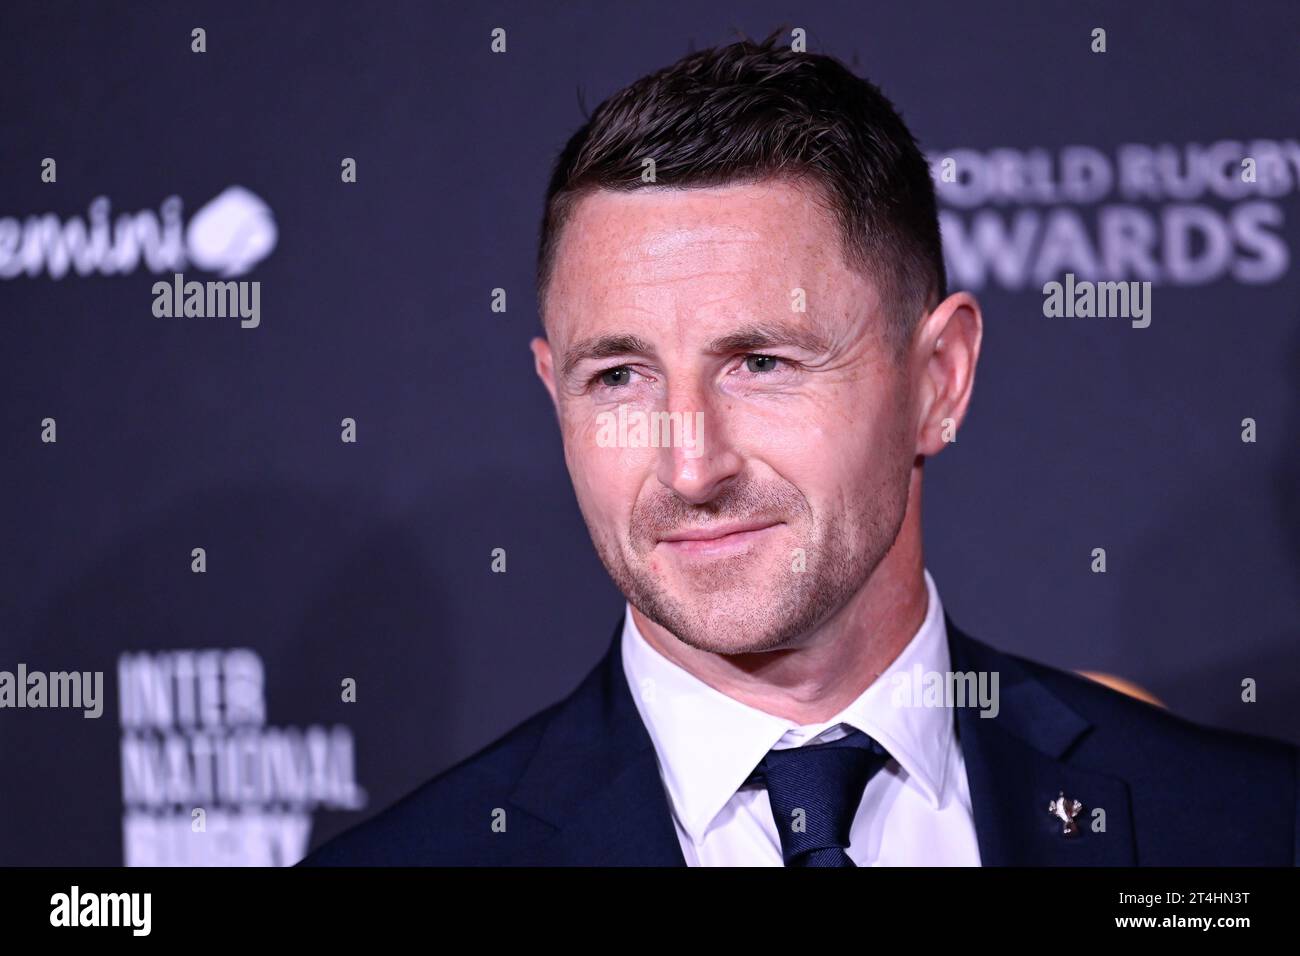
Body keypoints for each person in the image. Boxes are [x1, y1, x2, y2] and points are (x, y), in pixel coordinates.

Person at [300, 30, 1297, 866]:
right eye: (618, 376)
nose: (691, 466)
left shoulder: (1242, 830)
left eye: (762, 362)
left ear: (938, 378)